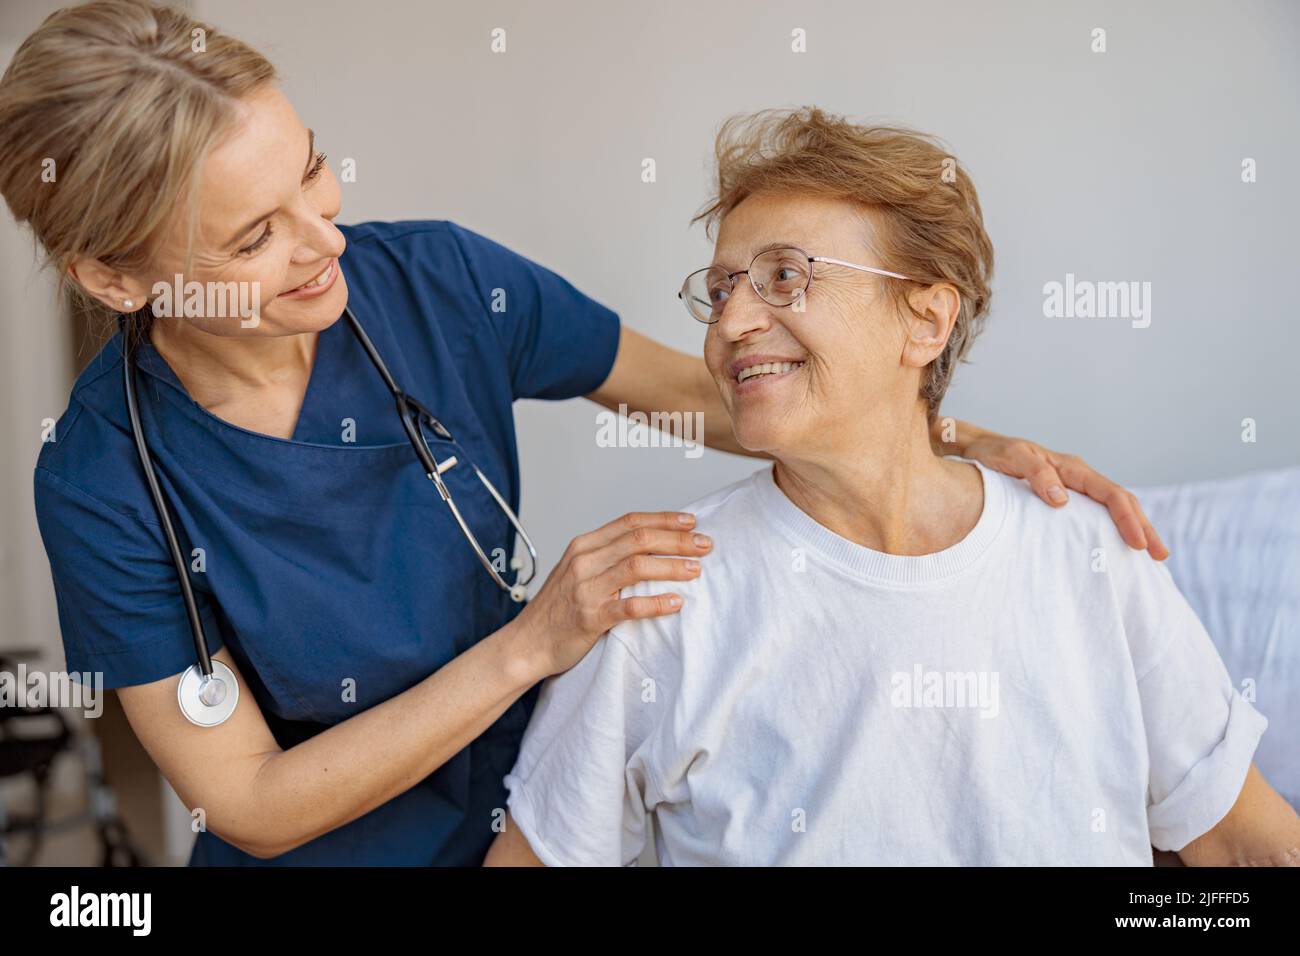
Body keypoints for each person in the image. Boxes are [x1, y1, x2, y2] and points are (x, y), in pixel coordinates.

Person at [0, 2, 1165, 865]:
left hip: (533, 823)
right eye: (256, 236)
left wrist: (953, 435)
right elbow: (246, 794)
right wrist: (532, 640)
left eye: (313, 172)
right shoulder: (104, 476)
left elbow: (715, 397)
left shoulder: (442, 283)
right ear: (114, 273)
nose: (325, 240)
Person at [486, 109, 1300, 866]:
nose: (730, 324)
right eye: (724, 287)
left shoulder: (1084, 547)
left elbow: (1242, 848)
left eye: (785, 276)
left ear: (926, 321)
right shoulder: (658, 599)